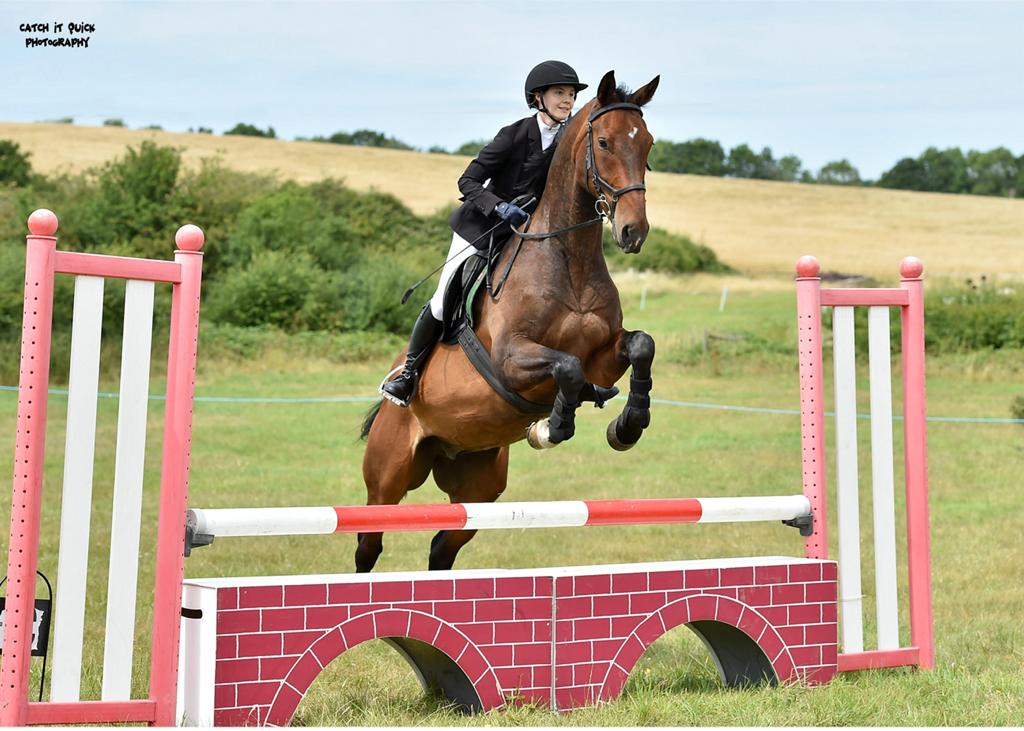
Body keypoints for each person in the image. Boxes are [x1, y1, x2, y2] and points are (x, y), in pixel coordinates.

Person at [380, 60, 588, 407]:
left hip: (528, 234)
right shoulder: (514, 134)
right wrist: (498, 207)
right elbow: (468, 181)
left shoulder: (569, 140)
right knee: (444, 297)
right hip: (482, 227)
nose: (567, 100)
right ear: (538, 98)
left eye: (570, 94)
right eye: (559, 93)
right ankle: (408, 374)